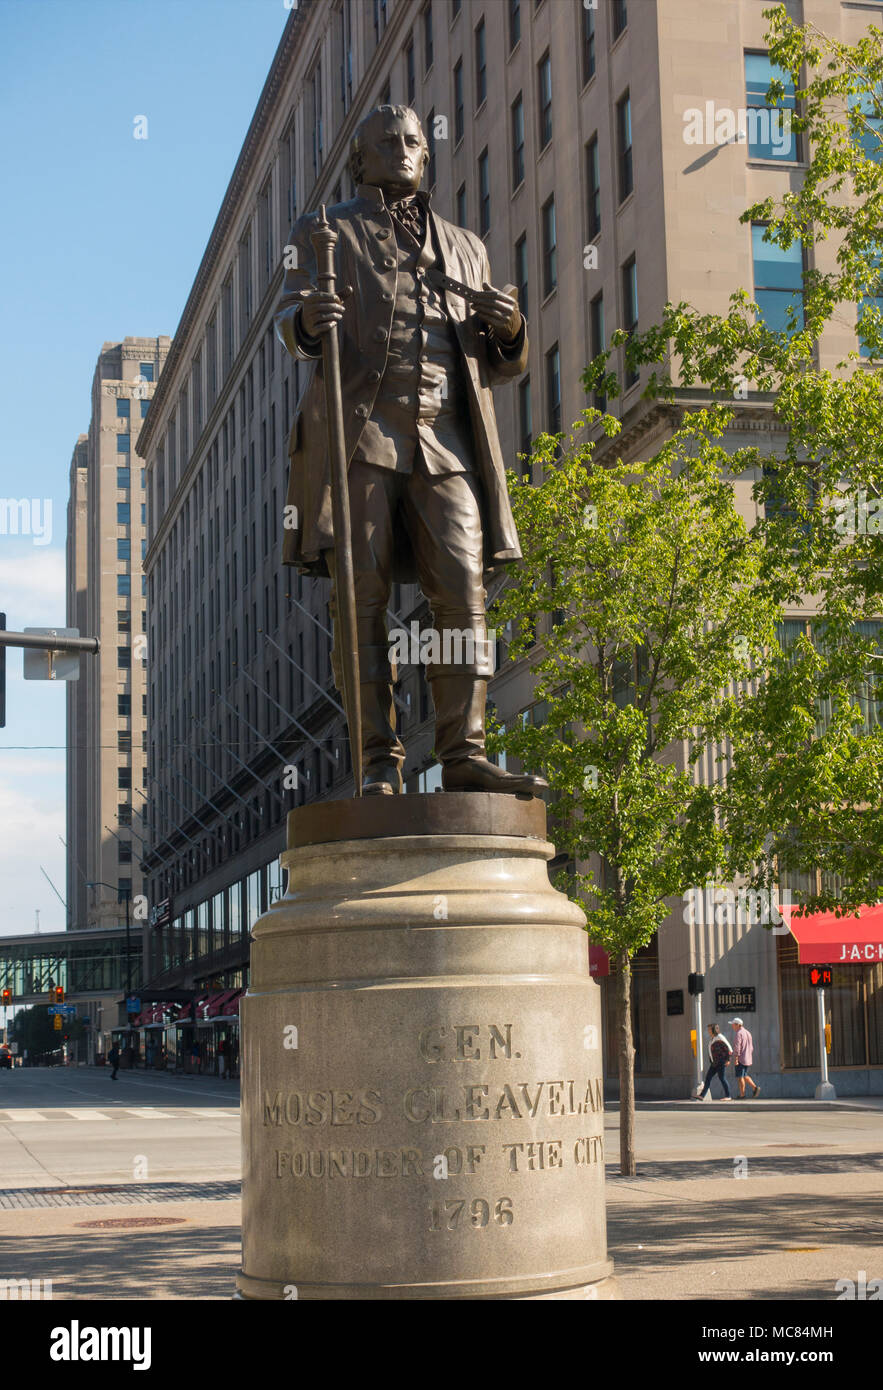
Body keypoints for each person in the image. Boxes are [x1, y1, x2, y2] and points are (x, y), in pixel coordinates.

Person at [275, 104, 546, 798]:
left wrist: (511, 328)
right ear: (360, 160)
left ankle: (464, 752)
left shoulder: (465, 245)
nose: (401, 150)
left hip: (447, 438)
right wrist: (307, 318)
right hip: (361, 433)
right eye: (385, 142)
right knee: (359, 599)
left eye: (412, 141)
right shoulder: (326, 231)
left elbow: (500, 361)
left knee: (462, 595)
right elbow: (291, 318)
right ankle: (377, 761)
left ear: (427, 155)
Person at [694, 1023, 732, 1100]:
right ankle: (702, 1096)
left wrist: (728, 1059)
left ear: (714, 1029)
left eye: (709, 1029)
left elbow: (729, 1048)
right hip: (714, 1063)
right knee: (708, 1078)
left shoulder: (719, 1037)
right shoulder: (712, 1039)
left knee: (722, 1078)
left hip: (721, 1061)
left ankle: (728, 1096)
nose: (708, 1031)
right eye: (708, 1029)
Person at [730, 1018, 760, 1098]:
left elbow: (737, 1047)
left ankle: (742, 1095)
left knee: (740, 1077)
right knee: (744, 1075)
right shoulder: (748, 1033)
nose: (732, 1026)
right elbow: (751, 1047)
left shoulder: (738, 1033)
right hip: (747, 1058)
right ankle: (755, 1088)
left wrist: (736, 1058)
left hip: (741, 1058)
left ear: (738, 1025)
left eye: (733, 1024)